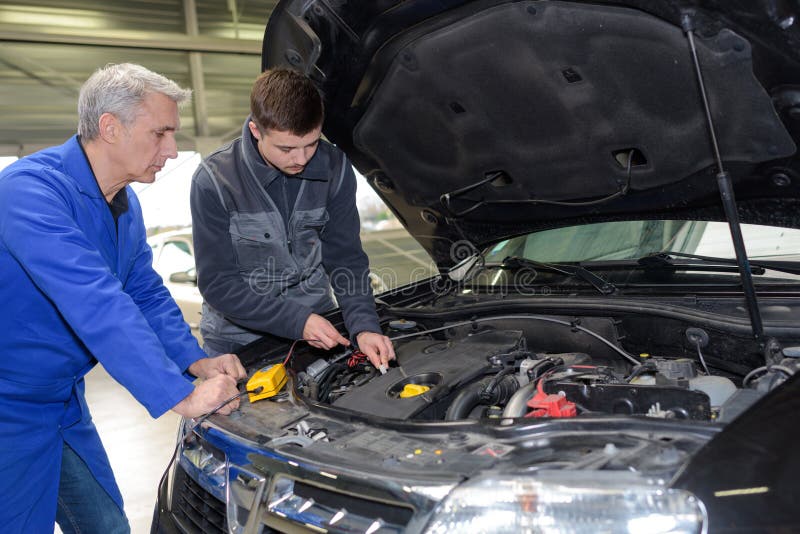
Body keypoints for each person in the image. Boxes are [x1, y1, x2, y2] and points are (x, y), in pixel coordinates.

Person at [0, 63, 247, 534]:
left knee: (107, 526)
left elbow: (144, 292)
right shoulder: (29, 192)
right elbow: (96, 300)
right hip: (7, 406)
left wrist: (194, 362)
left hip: (62, 401)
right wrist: (181, 396)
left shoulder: (123, 203)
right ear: (110, 127)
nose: (172, 150)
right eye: (161, 134)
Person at [191, 68, 395, 368]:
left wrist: (364, 325)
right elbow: (219, 284)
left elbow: (345, 258)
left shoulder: (334, 167)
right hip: (237, 344)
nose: (301, 159)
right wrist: (298, 321)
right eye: (286, 148)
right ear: (256, 130)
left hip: (318, 331)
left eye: (311, 144)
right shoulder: (215, 181)